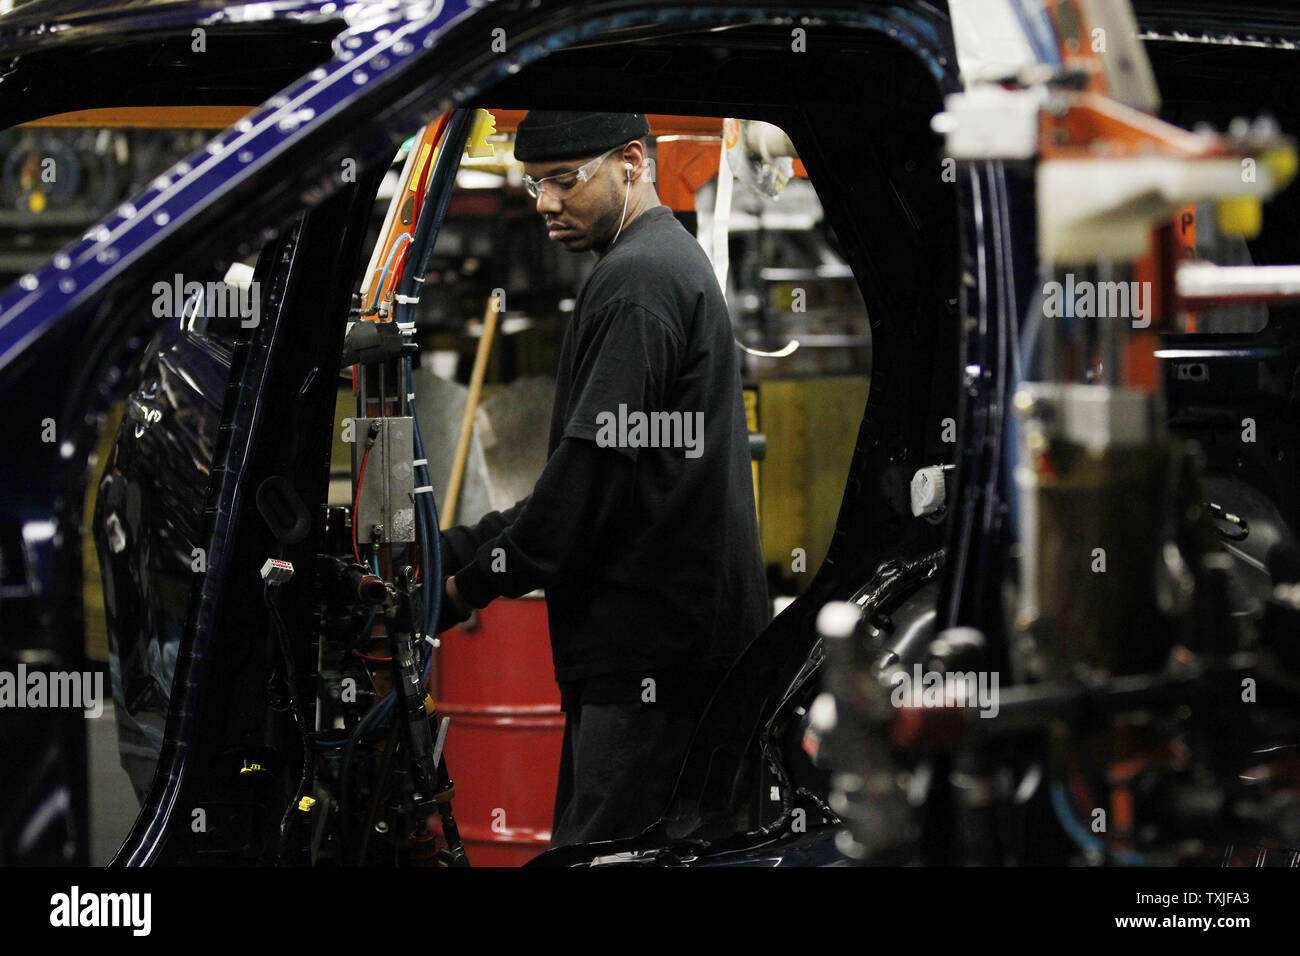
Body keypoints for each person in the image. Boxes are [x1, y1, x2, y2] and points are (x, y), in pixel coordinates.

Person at [437, 111, 768, 848]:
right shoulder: (657, 263)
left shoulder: (637, 282)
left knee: (604, 854)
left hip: (653, 657)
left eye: (563, 180)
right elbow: (588, 473)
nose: (546, 203)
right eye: (534, 185)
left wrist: (460, 587)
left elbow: (580, 493)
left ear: (630, 162)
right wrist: (457, 546)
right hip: (663, 647)